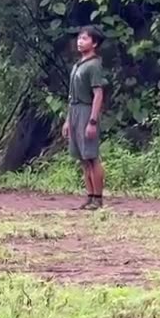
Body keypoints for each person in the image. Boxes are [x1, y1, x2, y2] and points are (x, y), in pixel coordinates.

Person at [64, 25, 108, 210]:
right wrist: (68, 120)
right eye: (79, 38)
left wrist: (92, 121)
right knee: (83, 158)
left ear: (94, 43)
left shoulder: (94, 65)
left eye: (85, 38)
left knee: (92, 156)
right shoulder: (78, 65)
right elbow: (71, 96)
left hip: (86, 111)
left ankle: (98, 198)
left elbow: (98, 94)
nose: (80, 42)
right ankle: (89, 196)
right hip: (75, 110)